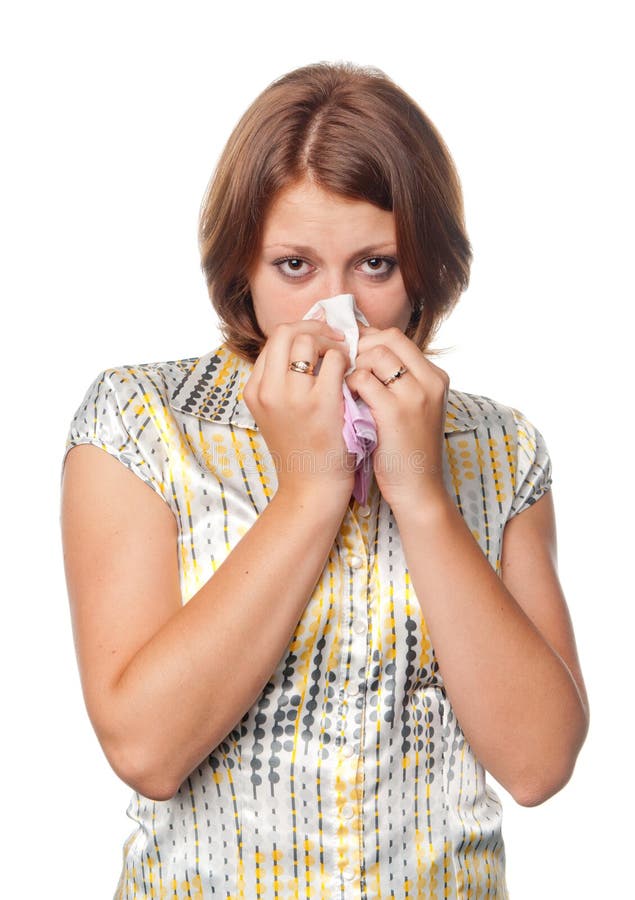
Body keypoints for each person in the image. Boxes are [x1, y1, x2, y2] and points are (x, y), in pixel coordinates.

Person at [60, 61, 589, 899]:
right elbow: (146, 751)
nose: (334, 308)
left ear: (425, 271)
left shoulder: (498, 445)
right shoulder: (141, 422)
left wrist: (419, 494)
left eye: (374, 265)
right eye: (295, 265)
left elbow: (537, 764)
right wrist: (310, 492)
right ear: (242, 266)